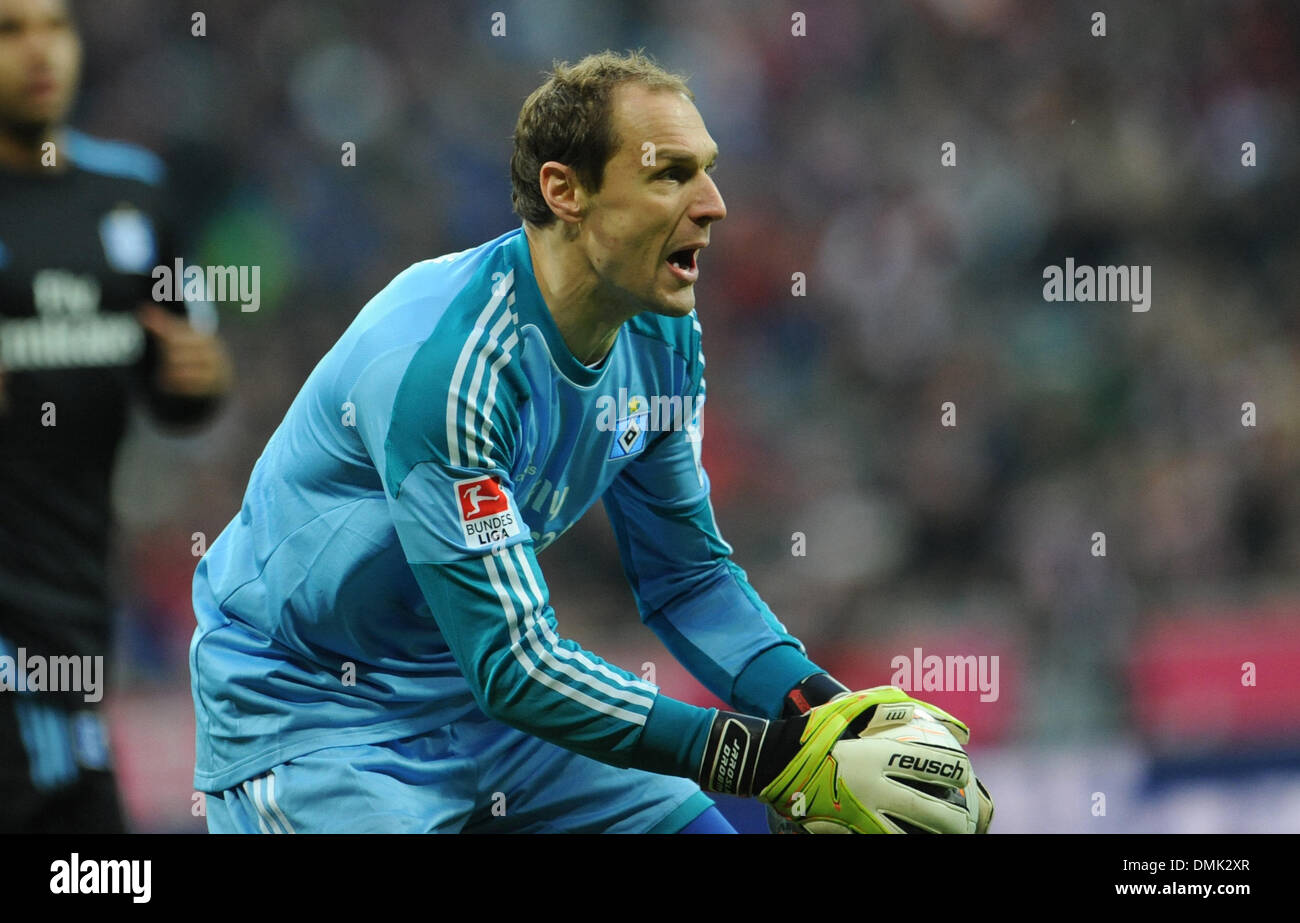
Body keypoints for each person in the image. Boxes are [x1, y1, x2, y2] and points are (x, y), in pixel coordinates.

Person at [189, 49, 988, 835]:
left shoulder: (660, 335)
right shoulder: (450, 370)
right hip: (318, 716)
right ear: (565, 191)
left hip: (490, 714)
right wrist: (770, 761)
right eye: (671, 175)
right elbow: (517, 664)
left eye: (707, 169)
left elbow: (687, 578)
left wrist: (822, 712)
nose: (712, 203)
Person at [0, 0, 232, 832]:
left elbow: (190, 373)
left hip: (76, 600)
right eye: (9, 30)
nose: (38, 51)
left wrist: (197, 376)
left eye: (53, 27)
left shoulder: (131, 197)